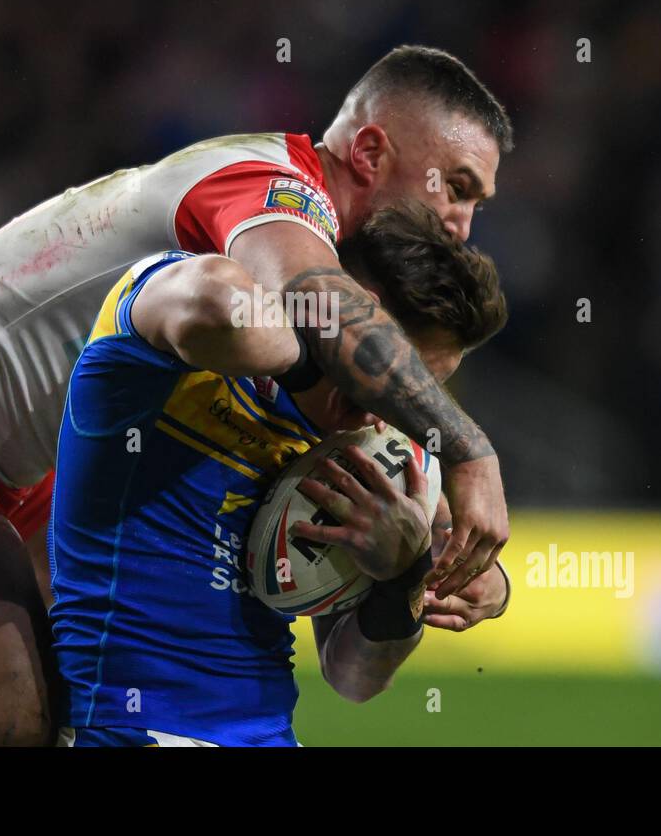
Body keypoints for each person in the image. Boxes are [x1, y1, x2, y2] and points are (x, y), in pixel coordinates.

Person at [0, 45, 514, 746]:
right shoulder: (271, 185)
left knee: (72, 705)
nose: (462, 224)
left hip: (27, 465)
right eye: (455, 186)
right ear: (372, 151)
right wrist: (469, 451)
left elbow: (335, 355)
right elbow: (313, 309)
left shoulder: (316, 248)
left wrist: (430, 554)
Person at [51, 203, 509, 746]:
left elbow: (354, 678)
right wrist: (316, 352)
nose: (391, 414)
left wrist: (402, 575)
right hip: (126, 724)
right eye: (398, 383)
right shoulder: (172, 338)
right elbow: (211, 297)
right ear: (359, 317)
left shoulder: (376, 452)